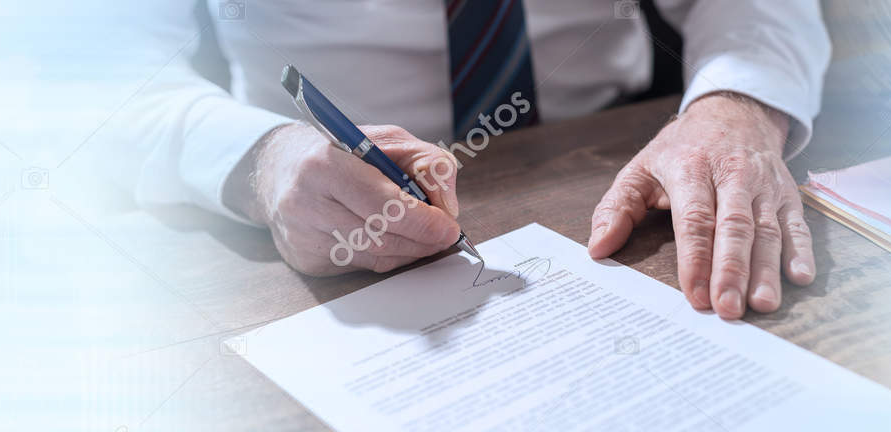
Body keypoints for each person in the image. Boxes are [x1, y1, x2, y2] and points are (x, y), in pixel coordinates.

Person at [100, 0, 829, 319]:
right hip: (320, 211)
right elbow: (90, 70)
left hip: (615, 157)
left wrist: (737, 103)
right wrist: (264, 163)